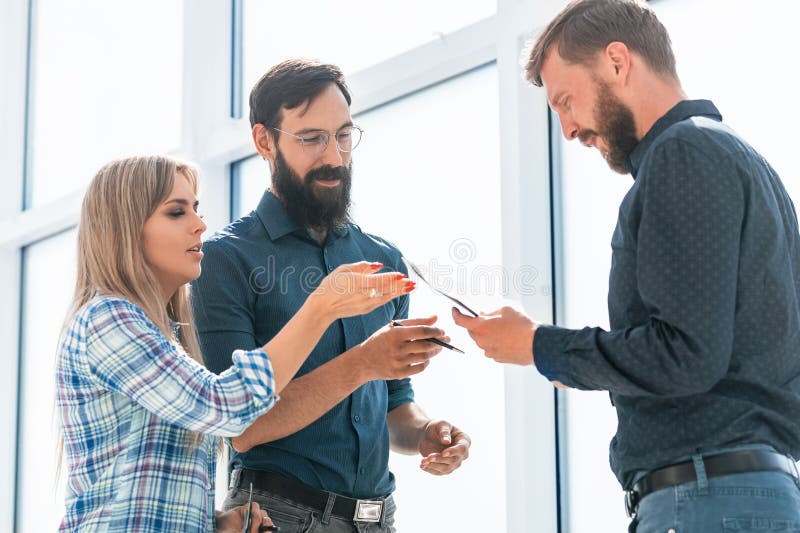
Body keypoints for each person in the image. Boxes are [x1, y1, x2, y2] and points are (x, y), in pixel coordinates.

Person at [453, 0, 800, 530]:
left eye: (566, 101)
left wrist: (536, 345)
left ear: (617, 61)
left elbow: (685, 356)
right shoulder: (740, 160)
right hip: (738, 494)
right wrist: (578, 363)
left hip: (706, 498)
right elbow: (715, 357)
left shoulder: (682, 155)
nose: (567, 130)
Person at [56, 154, 411, 532]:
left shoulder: (165, 337)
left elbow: (142, 488)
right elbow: (225, 406)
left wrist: (214, 524)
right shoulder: (108, 320)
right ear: (125, 229)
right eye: (177, 213)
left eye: (196, 209)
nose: (199, 225)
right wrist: (321, 308)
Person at [191, 59, 471, 532]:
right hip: (272, 517)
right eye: (311, 138)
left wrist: (425, 433)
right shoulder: (223, 260)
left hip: (378, 520)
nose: (335, 158)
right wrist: (363, 362)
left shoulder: (384, 259)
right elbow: (241, 427)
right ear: (265, 141)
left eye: (343, 135)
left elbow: (393, 402)